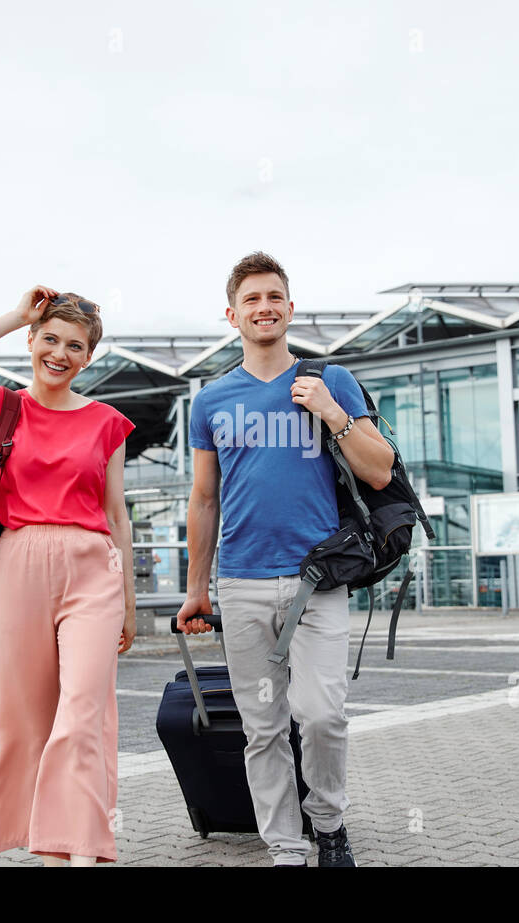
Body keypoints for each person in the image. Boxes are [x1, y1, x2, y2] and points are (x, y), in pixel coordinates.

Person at [177, 252, 394, 867]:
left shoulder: (332, 381)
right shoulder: (211, 400)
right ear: (232, 314)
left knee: (322, 714)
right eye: (251, 299)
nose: (264, 307)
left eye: (274, 296)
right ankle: (286, 845)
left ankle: (328, 823)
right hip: (241, 580)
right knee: (262, 727)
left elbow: (379, 472)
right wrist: (198, 588)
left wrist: (330, 411)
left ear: (290, 308)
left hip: (317, 581)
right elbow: (204, 498)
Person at [0, 285, 136, 866]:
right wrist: (19, 312)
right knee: (22, 718)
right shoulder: (2, 408)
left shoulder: (106, 422)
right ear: (32, 341)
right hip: (18, 564)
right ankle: (51, 849)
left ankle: (83, 846)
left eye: (75, 345)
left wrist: (130, 603)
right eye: (50, 339)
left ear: (88, 357)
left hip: (93, 566)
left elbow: (118, 514)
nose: (60, 353)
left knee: (84, 710)